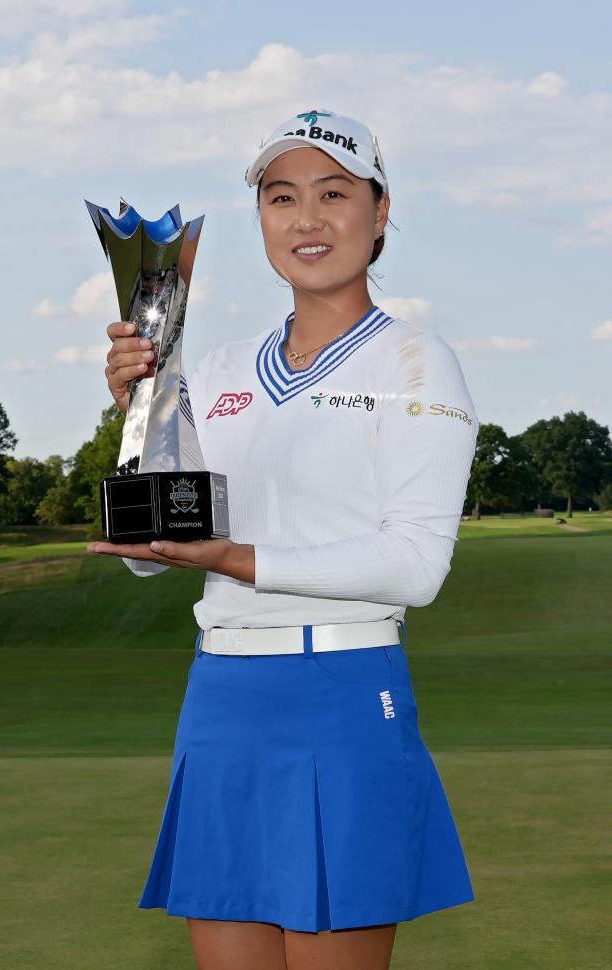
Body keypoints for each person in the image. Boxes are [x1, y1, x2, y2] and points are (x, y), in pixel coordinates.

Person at [89, 109, 478, 970]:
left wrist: (233, 560)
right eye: (281, 196)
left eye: (333, 193)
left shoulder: (414, 362)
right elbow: (153, 556)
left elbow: (415, 566)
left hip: (342, 694)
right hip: (221, 696)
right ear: (260, 217)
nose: (306, 218)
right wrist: (141, 417)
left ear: (379, 213)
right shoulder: (214, 367)